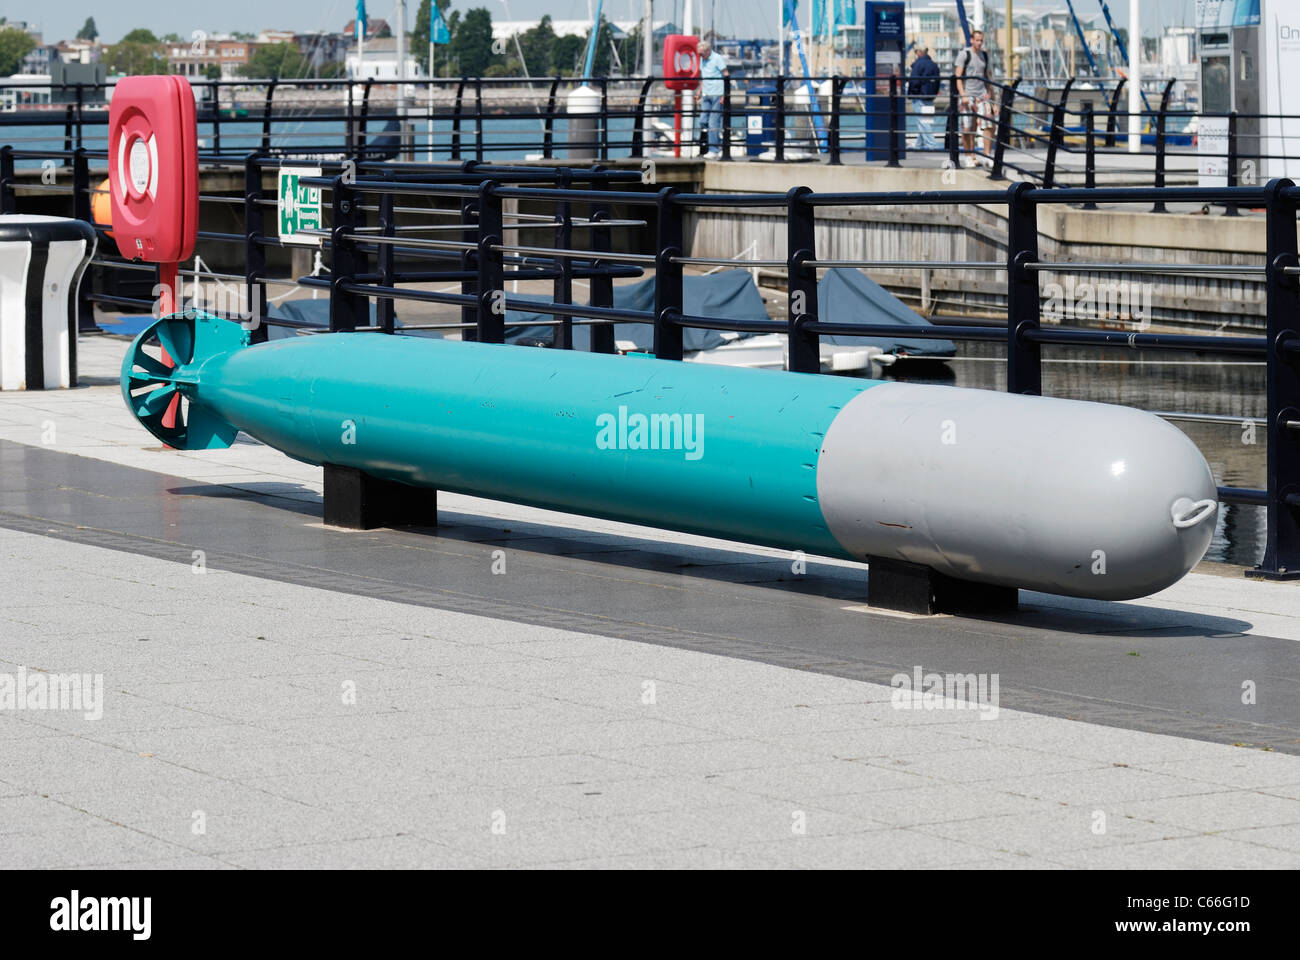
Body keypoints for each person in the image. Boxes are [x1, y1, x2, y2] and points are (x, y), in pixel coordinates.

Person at [954, 29, 993, 167]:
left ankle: (987, 155)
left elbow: (987, 76)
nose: (979, 43)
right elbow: (957, 76)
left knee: (989, 125)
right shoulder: (964, 54)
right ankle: (969, 155)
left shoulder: (984, 56)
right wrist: (963, 95)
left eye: (981, 40)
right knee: (967, 127)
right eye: (977, 40)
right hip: (968, 93)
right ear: (972, 40)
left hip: (982, 94)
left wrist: (990, 94)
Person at [697, 39, 729, 159]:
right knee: (703, 121)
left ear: (708, 50)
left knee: (713, 123)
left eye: (701, 53)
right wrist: (699, 91)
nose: (700, 56)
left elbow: (726, 74)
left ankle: (714, 149)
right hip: (706, 94)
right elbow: (703, 76)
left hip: (717, 94)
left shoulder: (717, 58)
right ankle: (718, 143)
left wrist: (724, 94)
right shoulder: (702, 59)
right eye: (699, 54)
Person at [907, 45, 940, 151]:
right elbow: (938, 81)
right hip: (930, 96)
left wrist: (912, 93)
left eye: (916, 52)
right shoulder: (934, 65)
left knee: (922, 122)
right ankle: (918, 145)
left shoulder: (918, 64)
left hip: (919, 96)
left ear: (919, 53)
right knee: (926, 120)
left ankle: (932, 145)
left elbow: (914, 81)